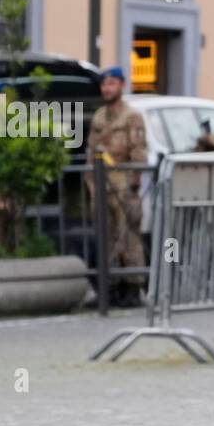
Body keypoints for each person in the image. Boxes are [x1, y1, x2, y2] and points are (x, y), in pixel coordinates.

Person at [86, 67, 148, 308]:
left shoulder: (132, 116)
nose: (106, 89)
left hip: (124, 185)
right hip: (102, 185)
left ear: (121, 85)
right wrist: (90, 182)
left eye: (111, 84)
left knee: (128, 237)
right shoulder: (100, 116)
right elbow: (92, 152)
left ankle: (133, 287)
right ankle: (109, 289)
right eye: (104, 85)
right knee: (106, 239)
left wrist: (135, 182)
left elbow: (139, 151)